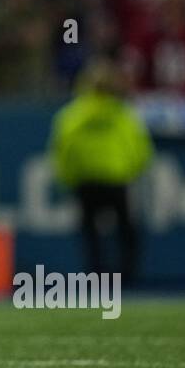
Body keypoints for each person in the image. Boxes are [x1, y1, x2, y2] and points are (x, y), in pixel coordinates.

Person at [48, 59, 153, 284]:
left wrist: (67, 177)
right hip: (115, 179)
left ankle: (96, 277)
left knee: (90, 233)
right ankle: (126, 277)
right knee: (126, 231)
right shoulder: (123, 114)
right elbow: (140, 148)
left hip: (86, 181)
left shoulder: (72, 115)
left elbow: (62, 149)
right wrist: (131, 170)